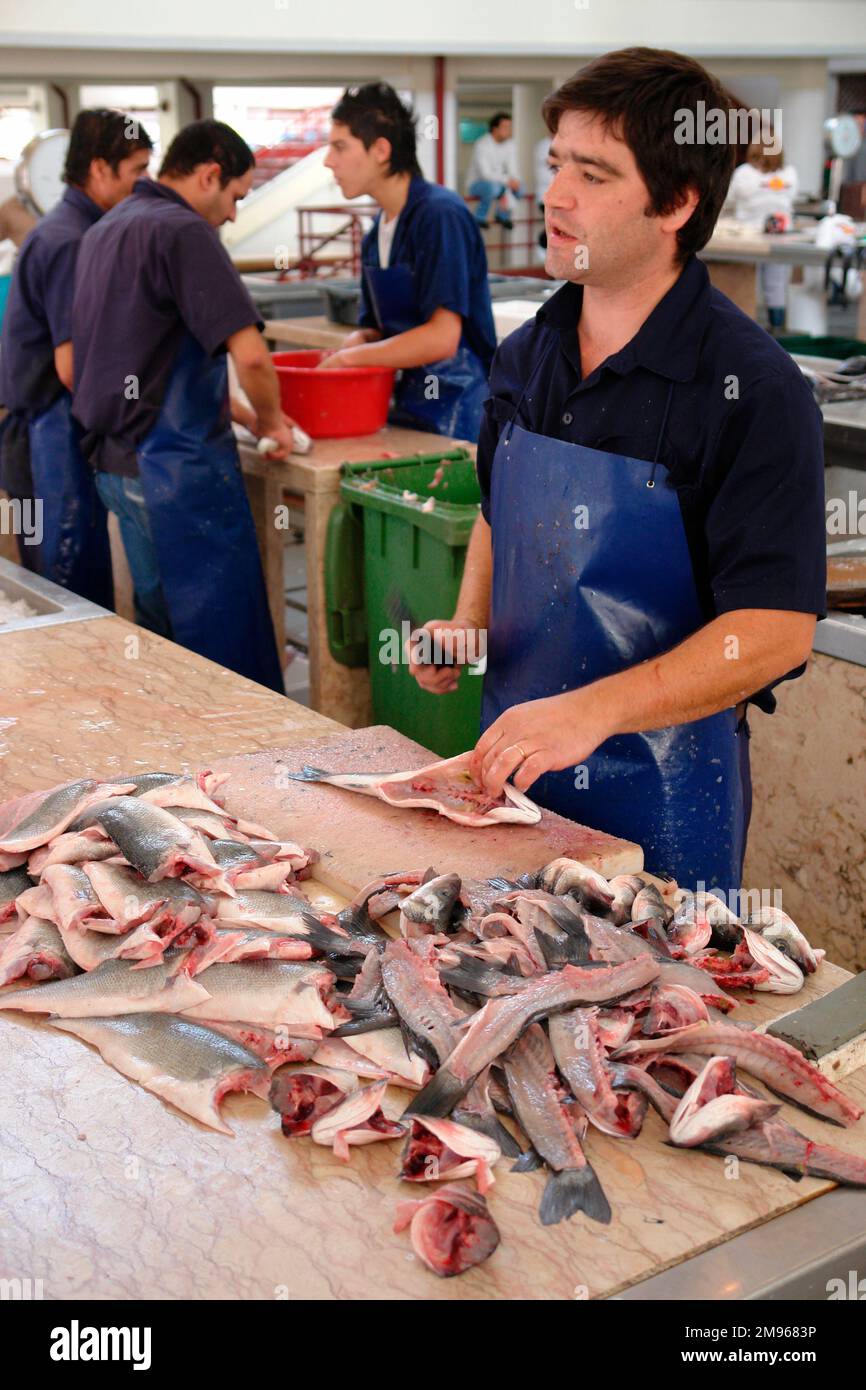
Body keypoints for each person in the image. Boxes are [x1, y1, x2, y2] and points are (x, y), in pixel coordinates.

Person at [409, 47, 825, 896]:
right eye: (557, 162)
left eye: (593, 174)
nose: (555, 195)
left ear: (676, 203)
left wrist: (592, 713)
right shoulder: (527, 353)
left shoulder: (753, 390)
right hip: (516, 769)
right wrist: (467, 620)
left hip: (663, 795)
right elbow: (499, 508)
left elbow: (777, 630)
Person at [71, 119, 295, 692]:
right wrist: (273, 421)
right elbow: (250, 356)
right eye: (237, 196)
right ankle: (242, 776)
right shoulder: (184, 231)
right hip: (176, 473)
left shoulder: (108, 226)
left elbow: (153, 347)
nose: (234, 215)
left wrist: (242, 415)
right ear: (209, 174)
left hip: (117, 467)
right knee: (223, 656)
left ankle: (173, 768)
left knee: (164, 645)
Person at [0, 109, 153, 601]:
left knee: (54, 569)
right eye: (136, 170)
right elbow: (72, 367)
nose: (143, 184)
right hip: (49, 429)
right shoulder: (71, 240)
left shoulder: (67, 229)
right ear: (99, 169)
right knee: (68, 576)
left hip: (46, 424)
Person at [321, 83, 496, 442]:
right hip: (406, 402)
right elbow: (379, 331)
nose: (328, 161)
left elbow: (442, 339)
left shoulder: (439, 214)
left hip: (458, 406)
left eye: (340, 147)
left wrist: (350, 361)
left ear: (381, 150)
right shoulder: (376, 233)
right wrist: (358, 339)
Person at [727, 136, 798, 331]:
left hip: (749, 235)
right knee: (776, 283)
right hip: (781, 235)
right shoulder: (789, 174)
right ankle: (776, 327)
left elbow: (729, 199)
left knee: (746, 283)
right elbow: (792, 197)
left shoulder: (744, 174)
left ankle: (745, 328)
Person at [466, 112, 522, 229]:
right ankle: (479, 217)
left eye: (509, 127)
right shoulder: (482, 144)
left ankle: (502, 215)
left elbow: (513, 168)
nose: (509, 130)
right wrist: (507, 180)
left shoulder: (510, 145)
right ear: (495, 129)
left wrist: (515, 180)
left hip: (500, 183)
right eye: (505, 127)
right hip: (478, 184)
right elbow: (485, 174)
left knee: (521, 188)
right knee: (494, 188)